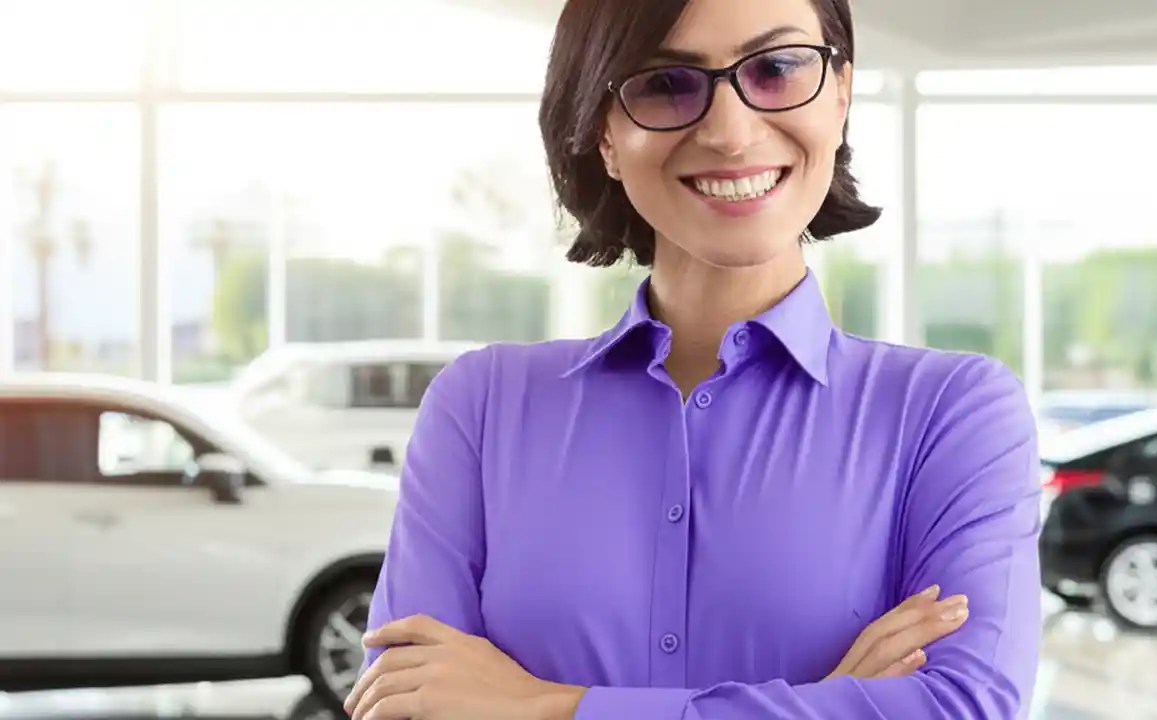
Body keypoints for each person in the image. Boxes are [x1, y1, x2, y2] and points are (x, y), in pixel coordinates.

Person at [344, 0, 1042, 717]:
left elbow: (964, 705)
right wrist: (828, 702)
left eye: (775, 69)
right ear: (603, 135)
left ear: (840, 96)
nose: (731, 134)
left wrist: (546, 705)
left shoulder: (952, 413)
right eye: (665, 84)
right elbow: (409, 704)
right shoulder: (483, 407)